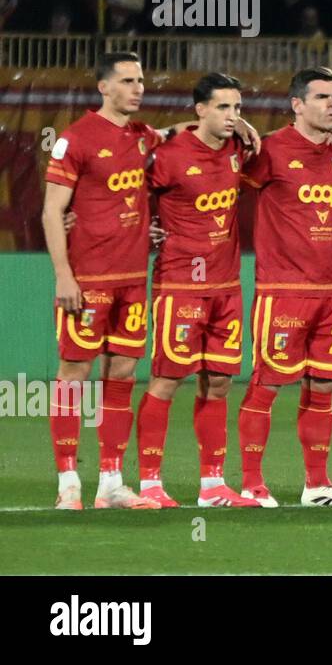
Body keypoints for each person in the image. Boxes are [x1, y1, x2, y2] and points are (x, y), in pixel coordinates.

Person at [43, 51, 255, 510]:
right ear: (103, 87)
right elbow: (51, 211)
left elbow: (182, 131)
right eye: (127, 80)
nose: (139, 87)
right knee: (73, 376)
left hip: (133, 279)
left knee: (121, 375)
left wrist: (239, 124)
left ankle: (111, 484)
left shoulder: (144, 138)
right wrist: (63, 274)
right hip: (88, 278)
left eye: (141, 79)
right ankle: (67, 484)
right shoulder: (75, 139)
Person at [236, 67, 332, 507]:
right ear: (297, 104)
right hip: (283, 289)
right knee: (268, 384)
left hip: (329, 292)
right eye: (323, 97)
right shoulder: (269, 150)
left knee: (324, 386)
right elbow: (218, 186)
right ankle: (252, 484)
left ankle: (317, 485)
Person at [135, 73, 261, 507]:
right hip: (179, 284)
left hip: (227, 287)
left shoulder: (238, 150)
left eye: (238, 108)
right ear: (199, 110)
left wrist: (245, 129)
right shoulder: (168, 156)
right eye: (223, 107)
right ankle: (150, 482)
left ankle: (212, 486)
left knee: (220, 382)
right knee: (167, 380)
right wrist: (143, 227)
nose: (233, 116)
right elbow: (127, 193)